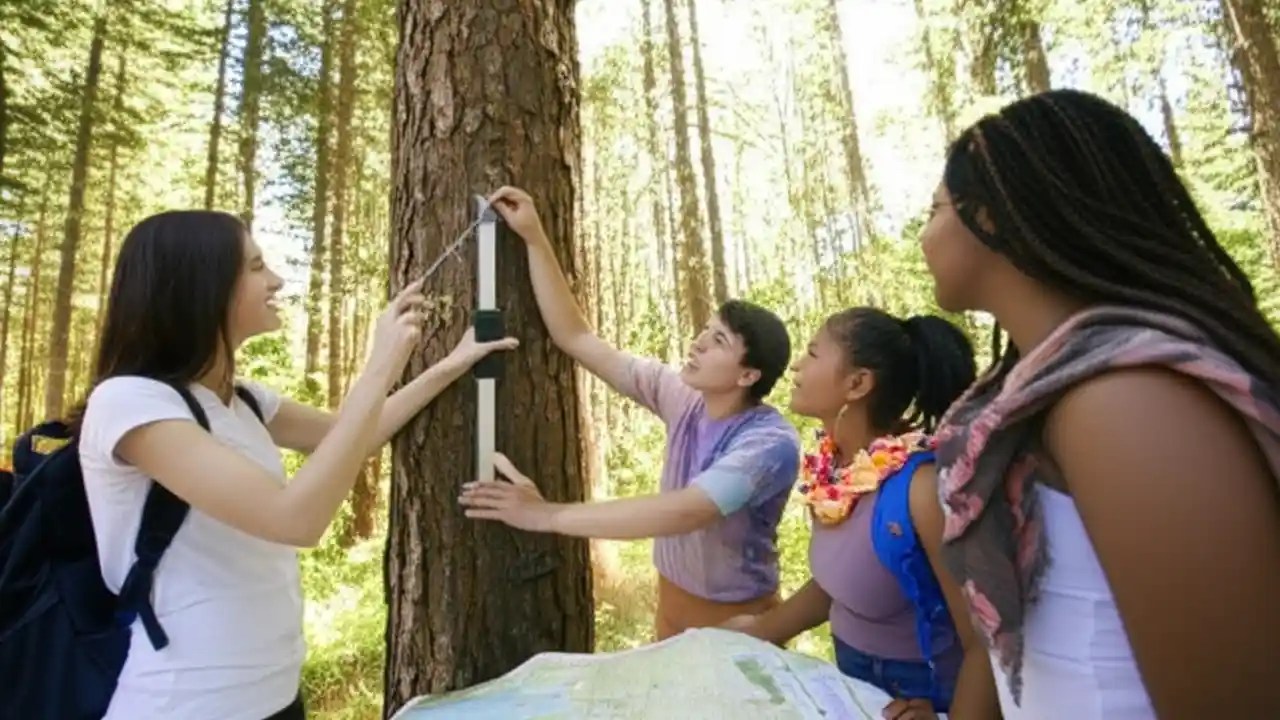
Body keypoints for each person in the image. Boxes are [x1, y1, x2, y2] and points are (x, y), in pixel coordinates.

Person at [922, 89, 1280, 719]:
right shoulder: (1046, 399)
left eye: (935, 209)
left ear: (992, 217)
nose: (924, 236)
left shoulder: (1124, 404)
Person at [78, 210, 515, 719]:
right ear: (201, 283)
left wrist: (449, 365)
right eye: (257, 267)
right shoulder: (130, 403)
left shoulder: (240, 400)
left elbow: (354, 434)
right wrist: (380, 365)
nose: (277, 281)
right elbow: (295, 519)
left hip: (277, 698)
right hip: (187, 705)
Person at [459, 186, 801, 640]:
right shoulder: (681, 393)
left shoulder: (769, 443)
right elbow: (577, 338)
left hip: (740, 622)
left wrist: (546, 516)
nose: (698, 342)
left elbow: (687, 511)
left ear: (747, 376)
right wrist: (535, 236)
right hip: (672, 606)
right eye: (706, 330)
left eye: (718, 341)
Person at [721, 308, 995, 719]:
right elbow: (843, 581)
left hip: (922, 698)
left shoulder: (919, 490)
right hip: (853, 685)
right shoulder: (833, 470)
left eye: (813, 353)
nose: (797, 364)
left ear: (857, 383)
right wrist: (762, 630)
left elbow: (986, 637)